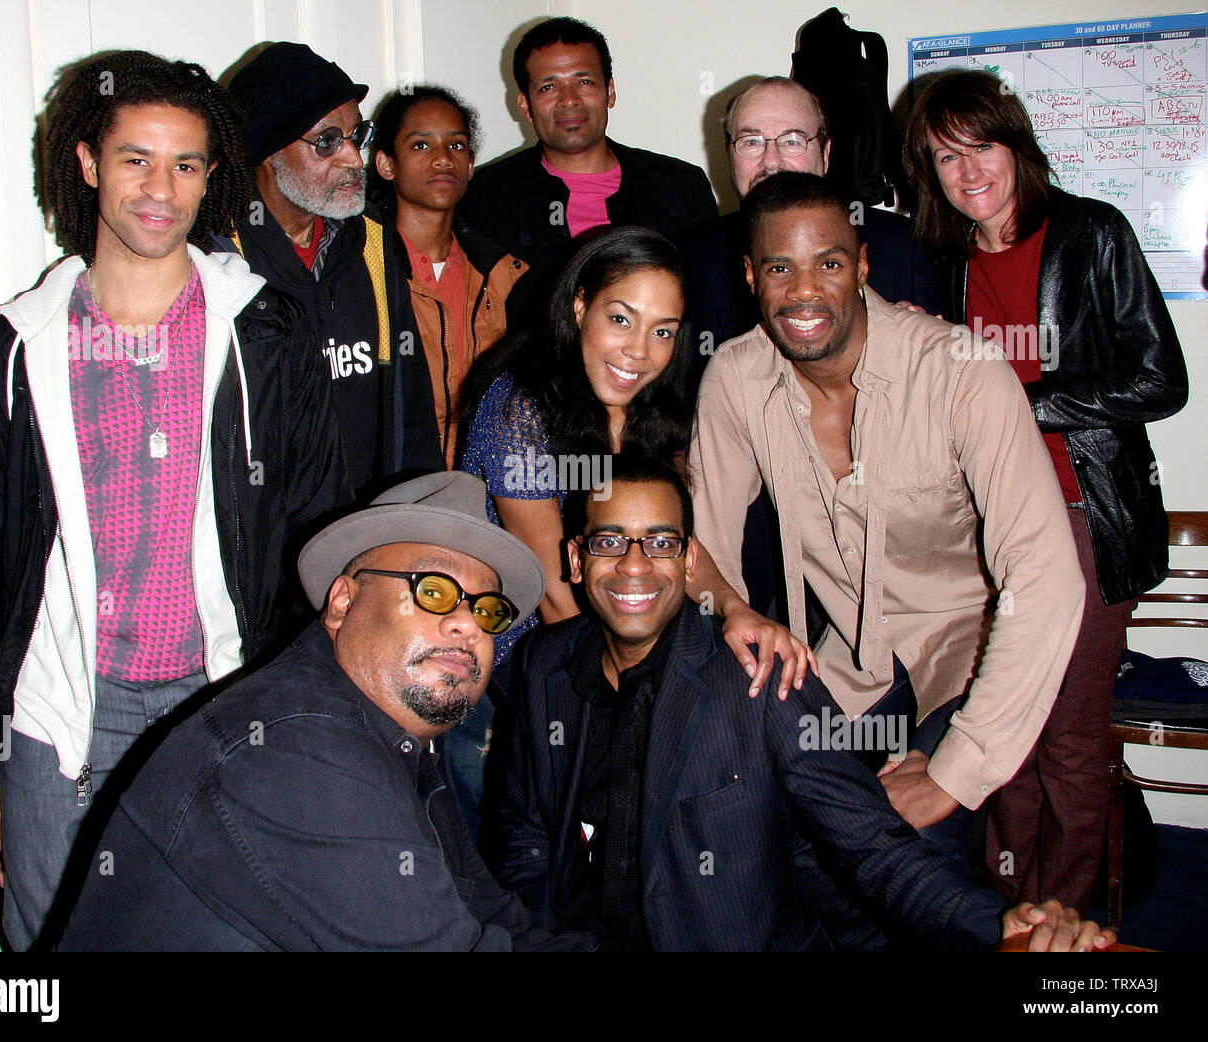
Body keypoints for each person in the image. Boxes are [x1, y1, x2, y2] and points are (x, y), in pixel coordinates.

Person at [0, 50, 344, 950]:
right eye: (135, 159)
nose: (162, 188)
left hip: (225, 700)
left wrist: (312, 718)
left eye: (186, 164)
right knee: (53, 947)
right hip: (60, 718)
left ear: (211, 178)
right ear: (87, 163)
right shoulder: (4, 355)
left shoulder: (268, 334)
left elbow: (318, 533)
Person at [495, 455, 1116, 951]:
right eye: (610, 543)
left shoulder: (759, 677)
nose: (635, 566)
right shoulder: (545, 663)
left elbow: (871, 845)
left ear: (689, 562)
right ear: (575, 560)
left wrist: (999, 925)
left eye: (660, 543)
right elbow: (524, 830)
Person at [689, 171, 1088, 942]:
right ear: (750, 276)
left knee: (914, 857)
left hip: (961, 656)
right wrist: (736, 622)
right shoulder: (734, 377)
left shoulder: (962, 372)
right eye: (780, 268)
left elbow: (1042, 574)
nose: (805, 290)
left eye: (829, 263)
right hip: (846, 663)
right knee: (791, 841)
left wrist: (956, 767)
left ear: (864, 266)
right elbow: (708, 547)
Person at [60, 472, 591, 951]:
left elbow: (489, 910)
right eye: (433, 590)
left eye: (487, 610)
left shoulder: (392, 740)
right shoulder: (298, 748)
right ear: (342, 603)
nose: (469, 625)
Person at [902, 70, 1188, 909]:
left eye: (980, 146)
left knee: (1065, 733)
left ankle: (1060, 916)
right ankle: (1010, 903)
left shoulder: (1092, 233)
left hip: (1081, 513)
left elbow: (1161, 379)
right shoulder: (944, 260)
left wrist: (1022, 406)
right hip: (982, 520)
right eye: (945, 157)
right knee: (998, 720)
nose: (968, 171)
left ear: (1016, 146)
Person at [455, 226, 812, 839]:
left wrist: (733, 607)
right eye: (620, 319)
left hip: (617, 635)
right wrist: (635, 692)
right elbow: (552, 589)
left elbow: (666, 545)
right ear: (579, 305)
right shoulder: (521, 407)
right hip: (523, 661)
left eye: (664, 331)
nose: (639, 352)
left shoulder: (656, 411)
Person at [223, 42, 441, 497]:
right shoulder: (222, 261)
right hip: (271, 550)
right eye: (326, 141)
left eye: (357, 135)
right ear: (267, 151)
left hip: (368, 540)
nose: (353, 159)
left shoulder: (372, 241)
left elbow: (410, 406)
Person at [687, 77, 941, 359]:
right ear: (730, 155)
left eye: (792, 141)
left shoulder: (905, 248)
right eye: (751, 142)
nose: (771, 161)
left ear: (826, 153)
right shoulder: (692, 257)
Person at [458, 17, 717, 283]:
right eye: (549, 87)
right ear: (525, 106)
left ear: (610, 91)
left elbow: (711, 295)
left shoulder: (681, 187)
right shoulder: (483, 199)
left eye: (584, 82)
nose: (569, 99)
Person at [370, 85, 530, 468]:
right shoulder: (363, 271)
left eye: (456, 146)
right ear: (386, 164)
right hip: (396, 497)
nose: (443, 159)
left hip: (484, 496)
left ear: (472, 164)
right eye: (421, 146)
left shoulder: (503, 276)